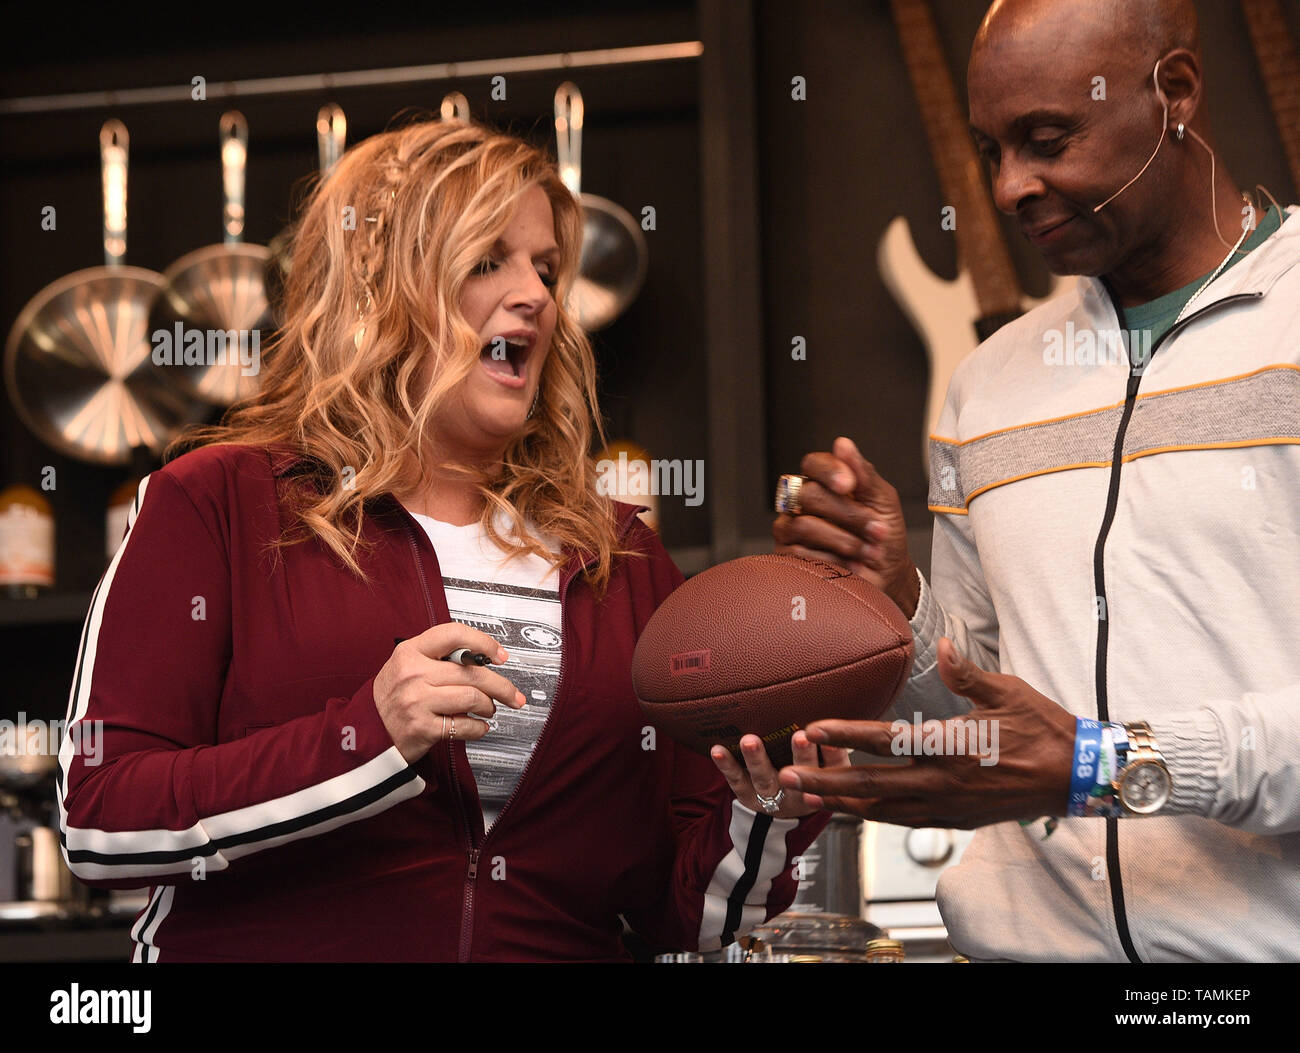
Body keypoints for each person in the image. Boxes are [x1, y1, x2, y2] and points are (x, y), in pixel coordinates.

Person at [58, 117, 834, 962]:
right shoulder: (219, 500)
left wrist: (768, 808)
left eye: (545, 266)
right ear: (376, 286)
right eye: (487, 260)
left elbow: (684, 919)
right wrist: (366, 735)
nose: (536, 293)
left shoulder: (623, 556)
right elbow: (102, 821)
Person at [773, 0, 1300, 962]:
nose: (1012, 186)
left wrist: (1109, 767)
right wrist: (899, 606)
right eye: (990, 150)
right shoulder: (988, 387)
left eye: (1047, 139)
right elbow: (987, 726)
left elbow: (1066, 761)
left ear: (1174, 94)